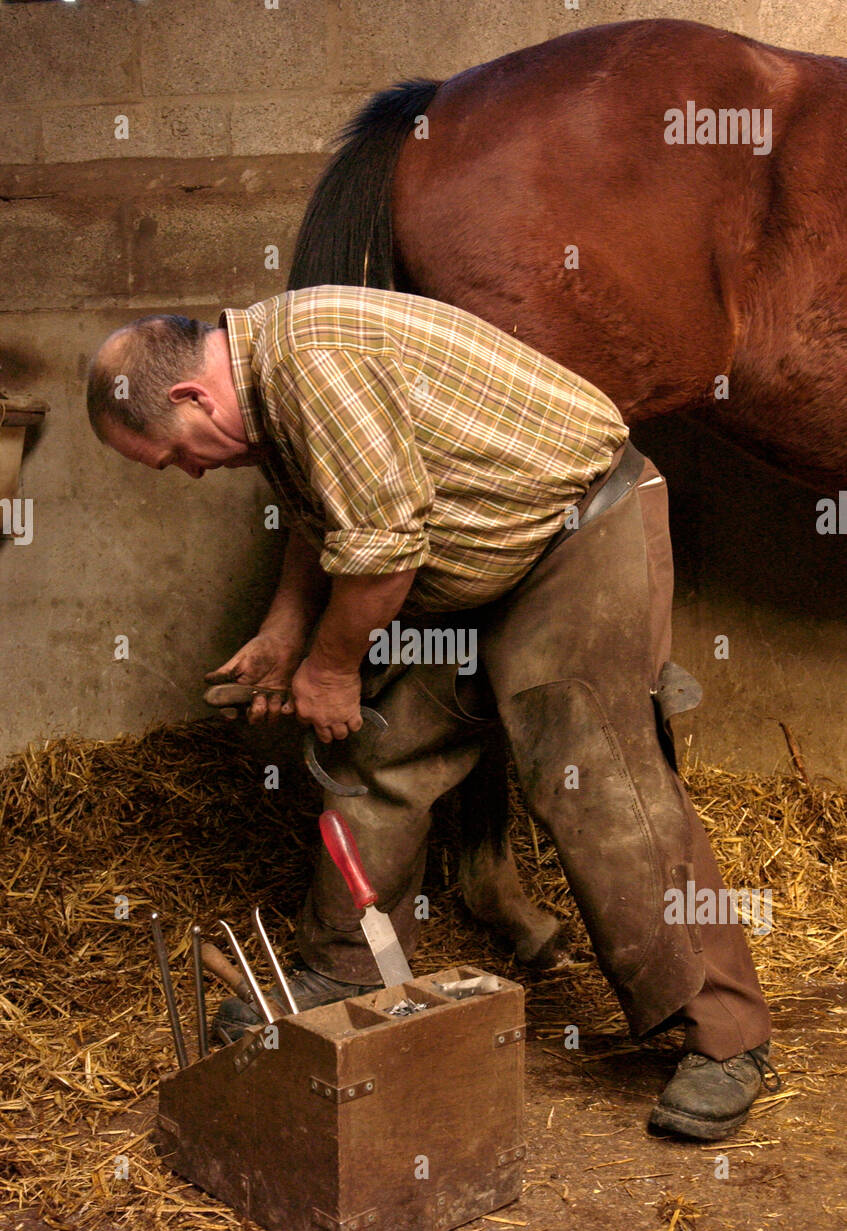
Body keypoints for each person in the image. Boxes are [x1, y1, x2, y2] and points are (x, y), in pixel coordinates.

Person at [86, 286, 779, 1140]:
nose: (190, 472)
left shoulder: (312, 363)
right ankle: (348, 972)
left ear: (191, 397)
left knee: (595, 783)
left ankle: (727, 1037)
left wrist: (332, 668)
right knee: (375, 754)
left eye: (174, 457)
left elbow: (378, 551)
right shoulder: (267, 385)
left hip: (572, 540)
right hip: (461, 565)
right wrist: (284, 633)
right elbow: (331, 517)